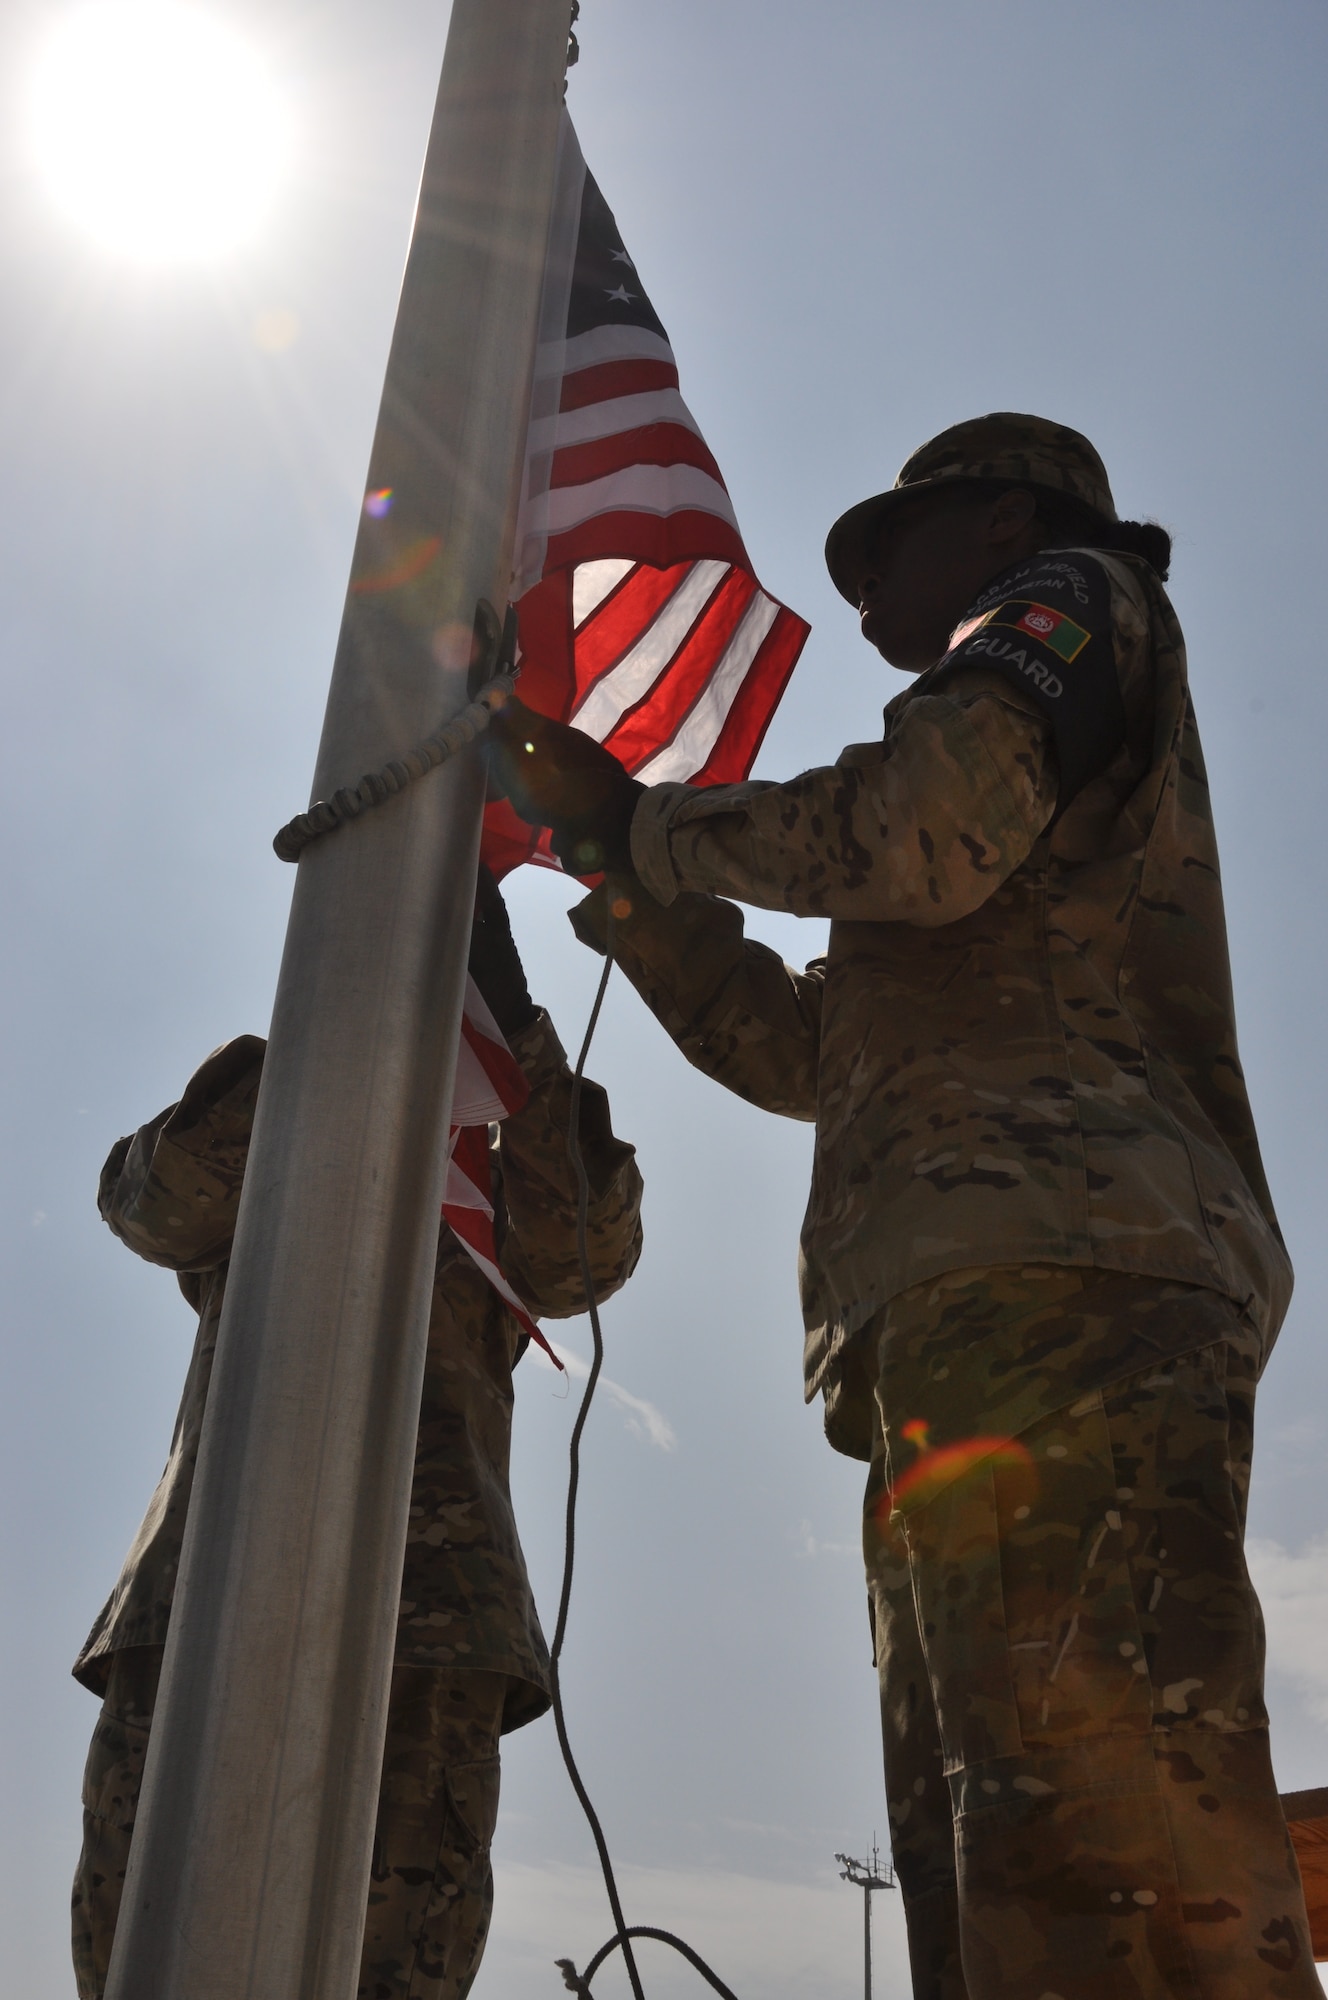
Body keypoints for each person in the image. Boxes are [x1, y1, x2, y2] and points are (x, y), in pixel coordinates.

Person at [489, 413, 1319, 1998]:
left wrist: (654, 822)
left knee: (1120, 1867)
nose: (862, 592)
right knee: (1007, 1876)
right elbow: (816, 1053)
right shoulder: (1014, 759)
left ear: (1004, 522)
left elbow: (913, 828)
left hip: (1065, 1287)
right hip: (987, 1309)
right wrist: (635, 887)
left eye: (889, 550)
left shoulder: (1073, 605)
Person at [70, 869, 643, 2000]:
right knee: (150, 1948)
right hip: (211, 1591)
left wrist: (511, 1031)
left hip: (424, 1618)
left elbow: (584, 1255)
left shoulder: (499, 1154)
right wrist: (331, 1017)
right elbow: (155, 1202)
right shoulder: (274, 1119)